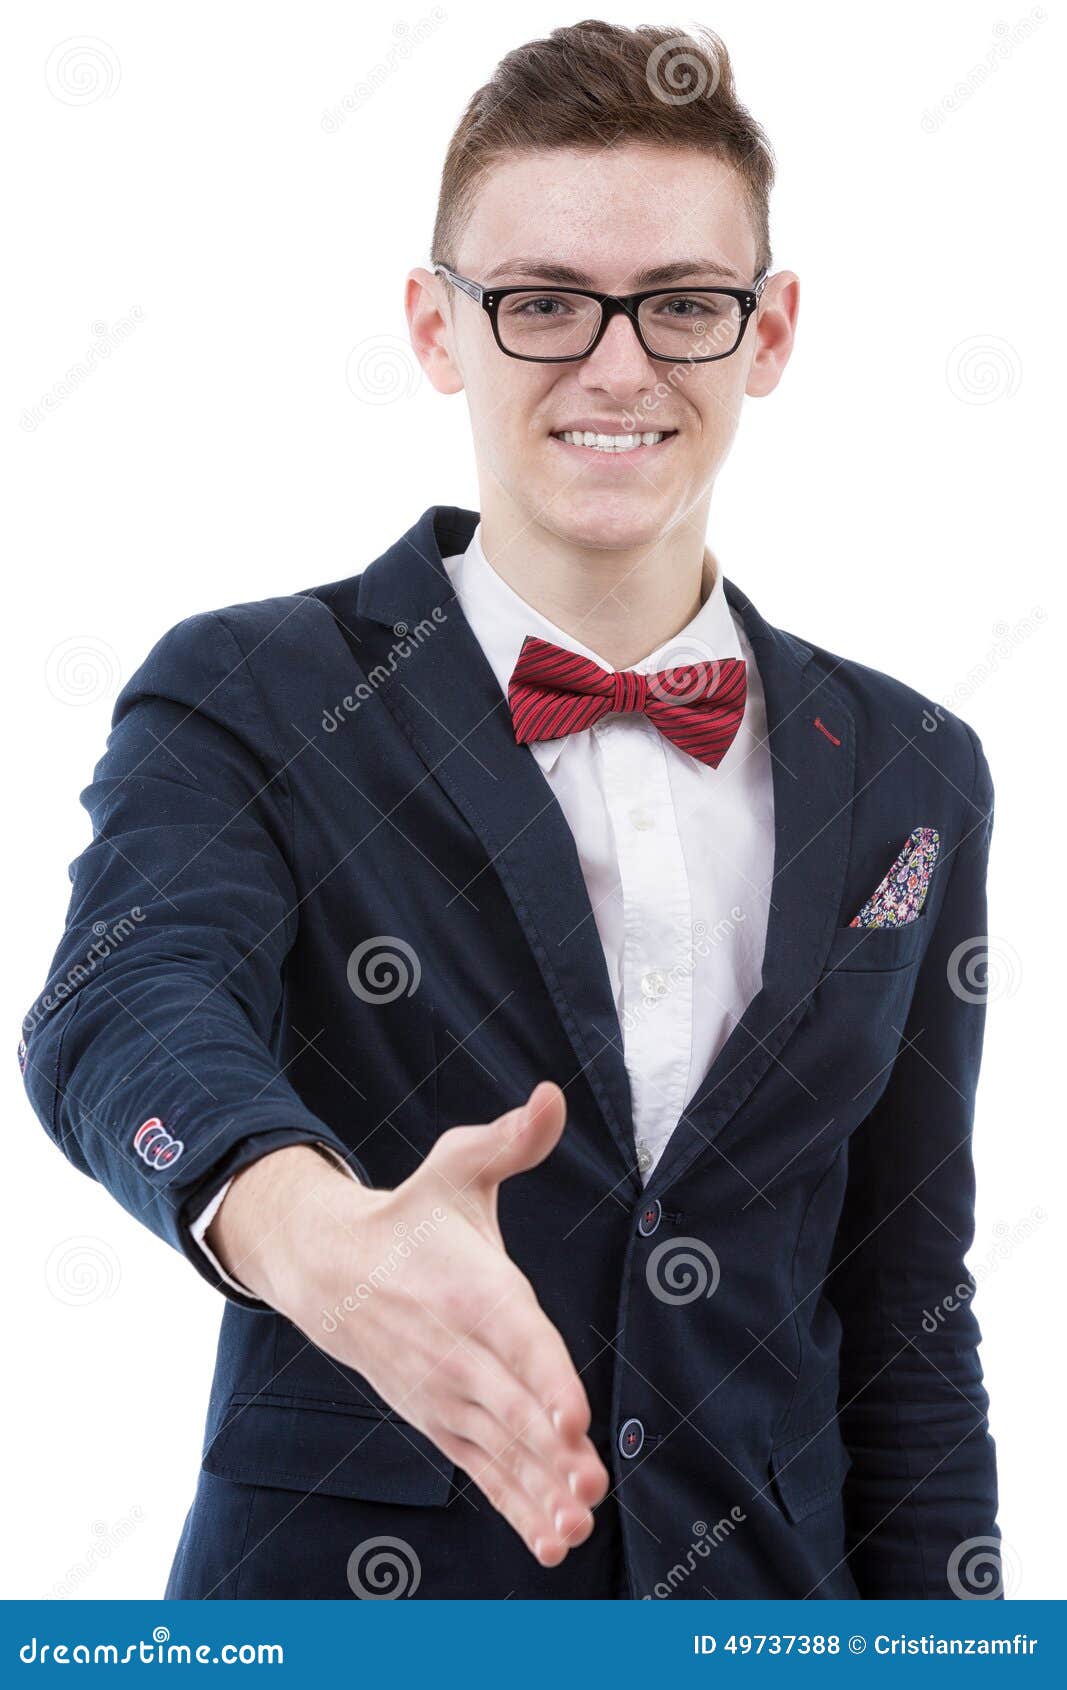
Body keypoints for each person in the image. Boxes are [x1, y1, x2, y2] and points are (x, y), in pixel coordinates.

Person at [20, 20, 1000, 1601]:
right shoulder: (252, 688)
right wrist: (303, 1230)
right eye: (543, 303)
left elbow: (905, 1300)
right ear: (435, 326)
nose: (617, 365)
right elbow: (119, 998)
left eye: (682, 304)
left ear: (769, 331)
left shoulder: (913, 764)